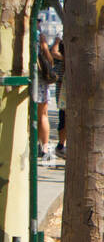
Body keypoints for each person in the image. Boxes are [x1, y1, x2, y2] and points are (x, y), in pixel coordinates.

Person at [36, 34, 55, 162]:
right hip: (41, 79)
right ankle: (45, 147)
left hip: (31, 77)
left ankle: (37, 145)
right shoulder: (40, 35)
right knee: (43, 114)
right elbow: (48, 55)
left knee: (36, 115)